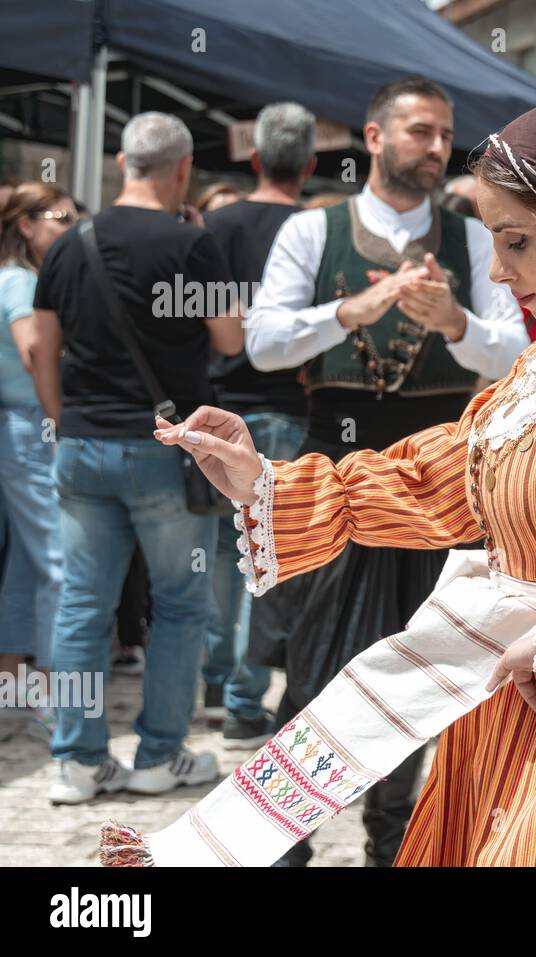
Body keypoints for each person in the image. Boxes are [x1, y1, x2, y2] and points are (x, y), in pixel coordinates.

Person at [100, 97, 536, 868]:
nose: (495, 269)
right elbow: (454, 471)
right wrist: (272, 483)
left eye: (516, 240)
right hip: (529, 680)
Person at [242, 76, 528, 867]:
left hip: (435, 486)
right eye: (419, 131)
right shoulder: (312, 232)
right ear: (373, 138)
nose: (436, 147)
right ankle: (278, 838)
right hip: (331, 475)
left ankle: (393, 846)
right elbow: (261, 341)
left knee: (420, 676)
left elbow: (521, 350)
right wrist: (347, 312)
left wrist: (459, 323)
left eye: (444, 134)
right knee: (311, 672)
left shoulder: (472, 239)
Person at [31, 112, 244, 804]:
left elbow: (40, 346)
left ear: (122, 161)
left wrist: (64, 420)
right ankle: (159, 755)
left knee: (81, 607)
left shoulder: (68, 245)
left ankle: (77, 761)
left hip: (83, 446)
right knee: (180, 605)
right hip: (164, 448)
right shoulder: (193, 245)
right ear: (183, 169)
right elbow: (232, 339)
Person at [200, 102, 317, 747]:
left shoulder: (216, 226)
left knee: (223, 558)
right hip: (291, 410)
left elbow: (212, 333)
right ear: (308, 164)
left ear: (253, 158)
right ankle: (245, 701)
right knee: (264, 558)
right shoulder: (320, 230)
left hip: (222, 409)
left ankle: (220, 684)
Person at [0, 183, 76, 738]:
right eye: (59, 217)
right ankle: (51, 694)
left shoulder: (16, 277)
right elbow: (33, 351)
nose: (69, 227)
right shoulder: (22, 281)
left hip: (22, 425)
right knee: (57, 559)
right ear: (26, 225)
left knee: (28, 565)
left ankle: (13, 692)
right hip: (31, 425)